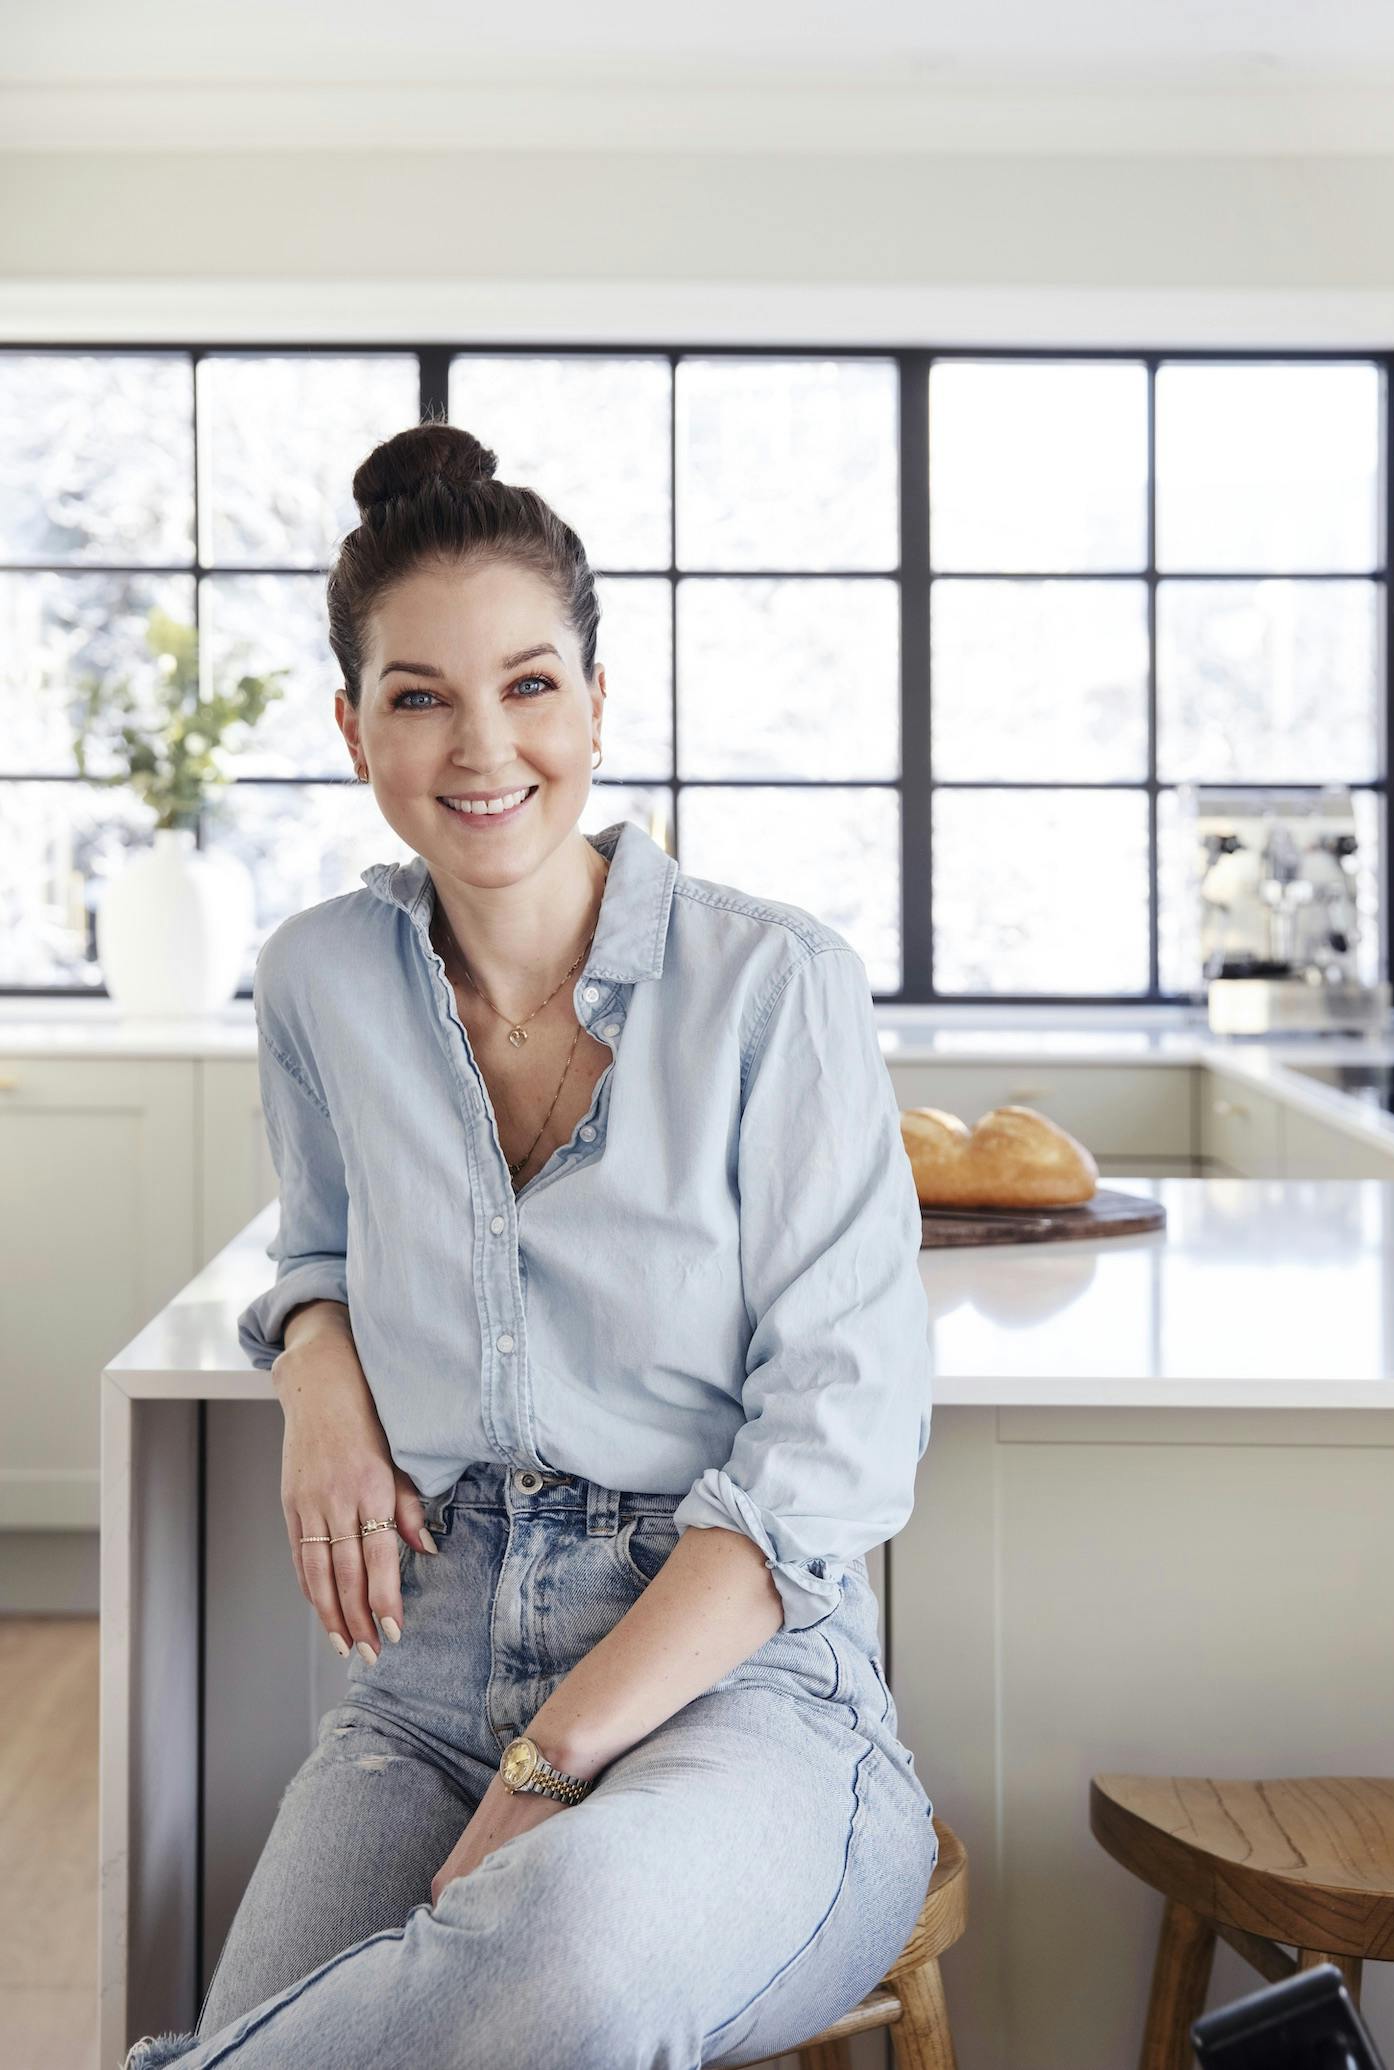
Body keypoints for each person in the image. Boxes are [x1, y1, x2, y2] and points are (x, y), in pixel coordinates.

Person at [121, 419, 938, 2070]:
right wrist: (314, 1364)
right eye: (419, 695)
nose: (481, 746)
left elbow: (833, 1453)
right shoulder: (317, 979)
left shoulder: (774, 987)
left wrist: (550, 1764)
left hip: (742, 1689)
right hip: (428, 1674)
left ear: (596, 702)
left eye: (529, 684)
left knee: (563, 1960)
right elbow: (317, 1240)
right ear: (353, 728)